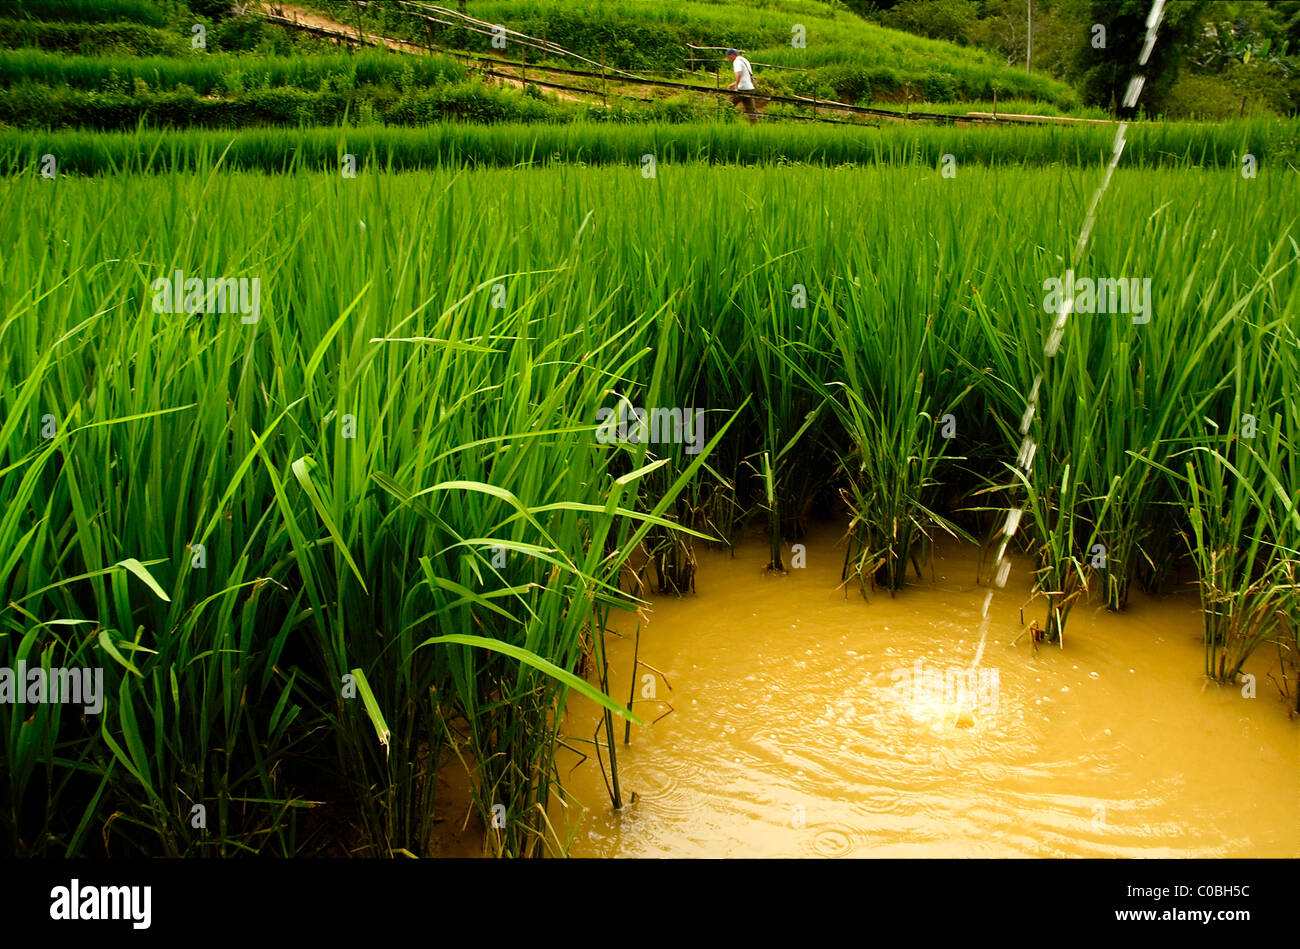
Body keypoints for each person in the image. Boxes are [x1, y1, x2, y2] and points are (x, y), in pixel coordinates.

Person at [725, 48, 760, 126]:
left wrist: (736, 87)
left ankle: (726, 123)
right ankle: (754, 127)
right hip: (750, 88)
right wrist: (733, 84)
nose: (728, 59)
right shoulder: (744, 60)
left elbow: (739, 74)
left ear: (732, 55)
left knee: (727, 105)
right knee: (751, 110)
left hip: (742, 88)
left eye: (728, 57)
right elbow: (746, 76)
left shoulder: (736, 62)